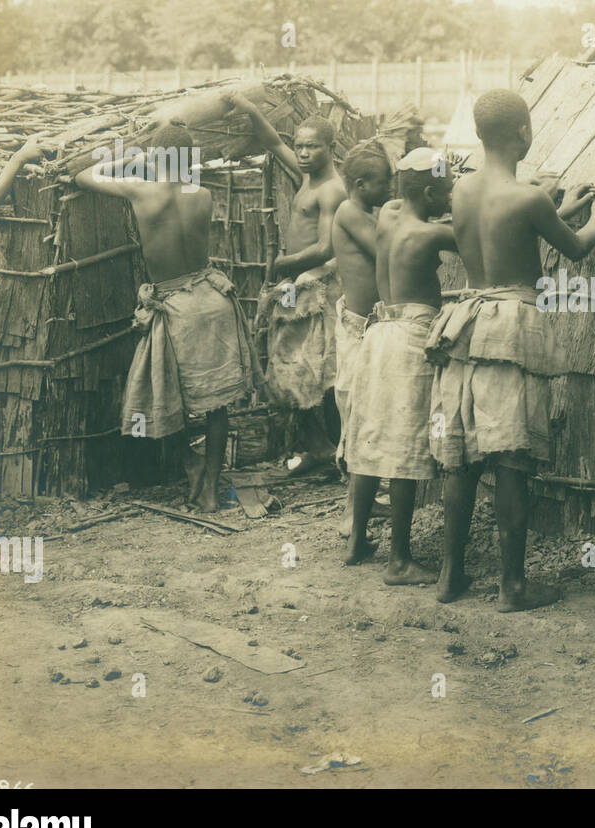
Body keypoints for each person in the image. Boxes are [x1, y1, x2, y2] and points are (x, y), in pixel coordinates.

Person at [428, 90, 595, 610]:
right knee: (510, 456)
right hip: (510, 328)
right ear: (523, 132)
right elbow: (577, 247)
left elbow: (507, 228)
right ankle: (512, 586)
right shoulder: (529, 199)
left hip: (465, 324)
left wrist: (562, 208)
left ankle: (451, 577)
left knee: (462, 459)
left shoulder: (464, 191)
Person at [72, 123, 260, 512]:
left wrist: (132, 158)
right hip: (212, 300)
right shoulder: (203, 194)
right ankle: (209, 483)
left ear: (155, 158)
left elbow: (82, 174)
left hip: (175, 306)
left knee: (159, 393)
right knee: (217, 404)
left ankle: (189, 464)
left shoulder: (141, 190)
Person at [343, 147, 455, 579]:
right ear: (428, 192)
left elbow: (424, 207)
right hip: (410, 337)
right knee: (406, 448)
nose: (450, 197)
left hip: (377, 335)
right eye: (445, 191)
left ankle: (356, 541)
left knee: (371, 439)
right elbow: (474, 231)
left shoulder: (389, 212)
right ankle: (399, 560)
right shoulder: (431, 235)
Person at [228, 94, 347, 473]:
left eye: (313, 146)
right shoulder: (307, 176)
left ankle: (332, 450)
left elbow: (327, 246)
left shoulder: (332, 189)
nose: (304, 152)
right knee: (292, 367)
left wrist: (282, 263)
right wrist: (249, 108)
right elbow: (272, 142)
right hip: (296, 284)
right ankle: (317, 449)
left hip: (318, 284)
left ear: (330, 148)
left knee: (317, 370)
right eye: (301, 145)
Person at [330, 140, 393, 540]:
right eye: (385, 184)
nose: (391, 191)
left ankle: (366, 503)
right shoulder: (350, 212)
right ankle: (353, 514)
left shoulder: (363, 210)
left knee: (370, 416)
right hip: (358, 328)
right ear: (360, 184)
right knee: (356, 418)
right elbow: (387, 248)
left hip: (370, 324)